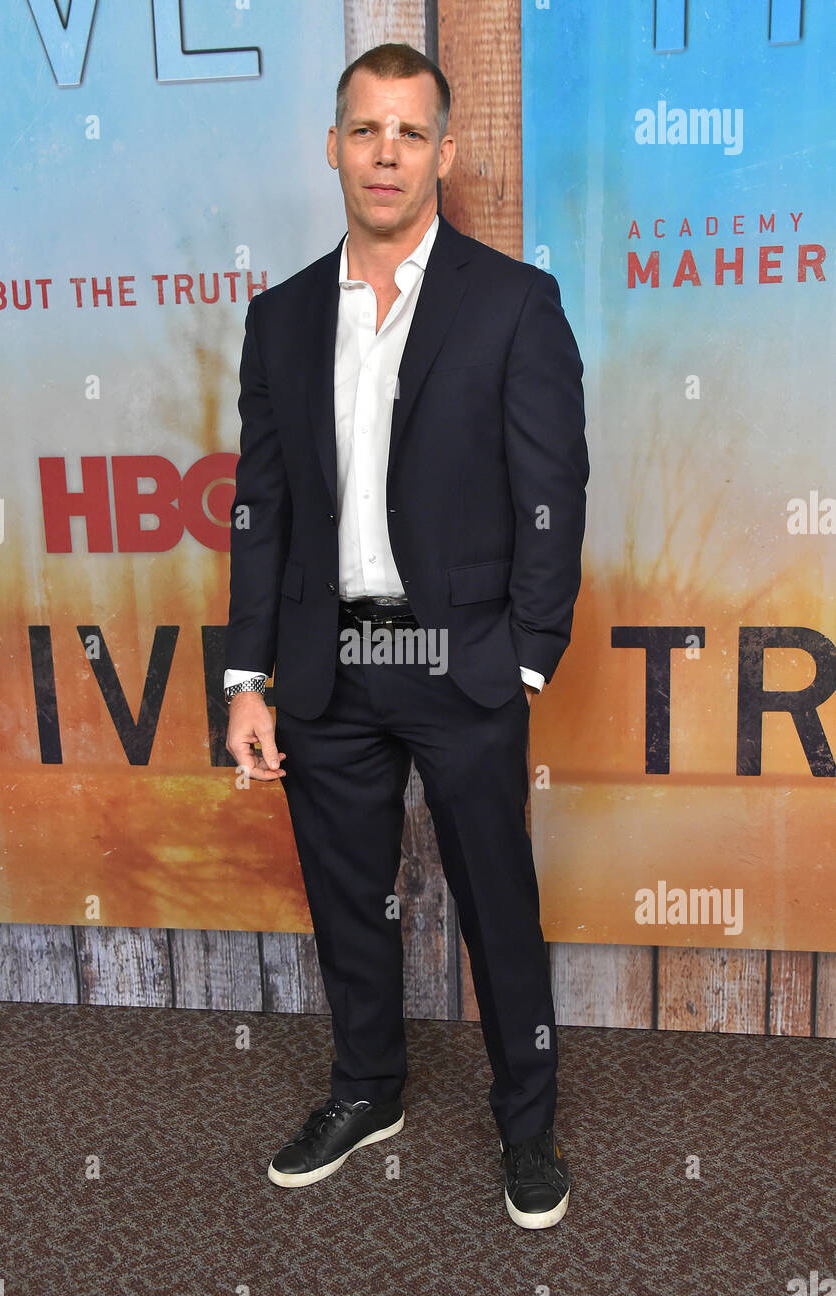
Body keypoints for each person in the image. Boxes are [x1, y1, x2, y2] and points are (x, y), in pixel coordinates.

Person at [224, 42, 588, 1229]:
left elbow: (554, 485)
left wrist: (524, 653)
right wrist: (247, 677)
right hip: (327, 667)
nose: (386, 152)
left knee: (498, 904)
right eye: (365, 129)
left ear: (443, 151)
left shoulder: (511, 301)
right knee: (347, 902)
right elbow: (263, 505)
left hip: (460, 664)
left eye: (410, 132)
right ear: (333, 146)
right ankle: (366, 1087)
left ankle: (525, 1123)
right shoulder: (278, 318)